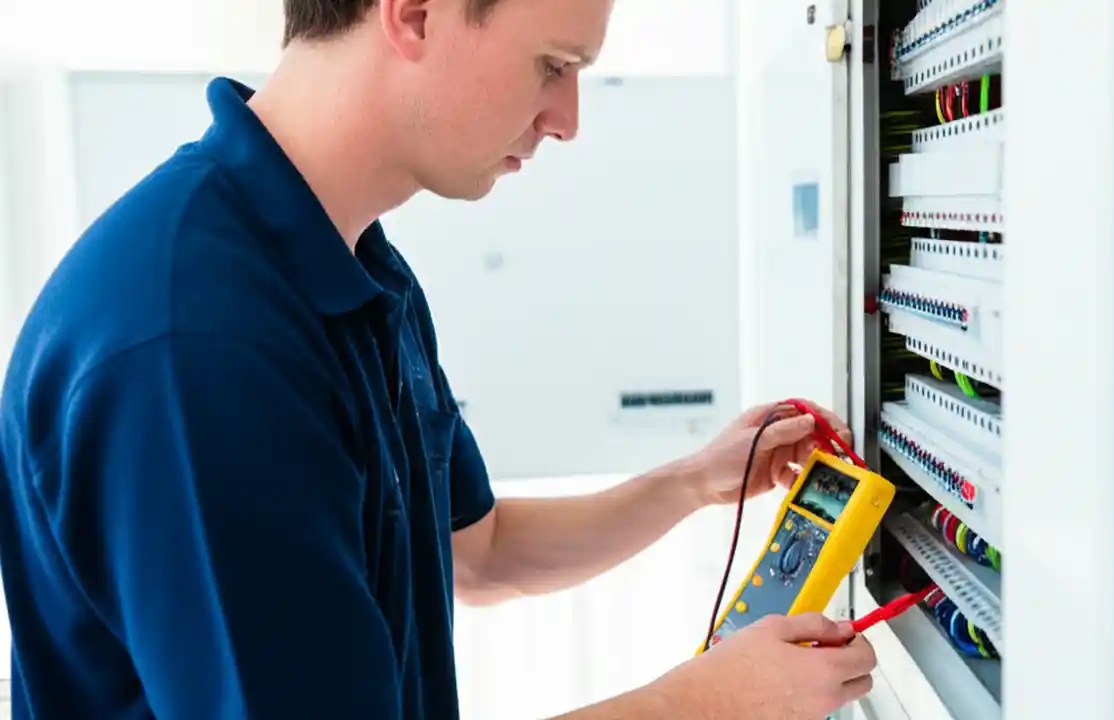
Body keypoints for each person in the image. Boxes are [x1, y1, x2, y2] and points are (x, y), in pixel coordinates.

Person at [0, 0, 878, 717]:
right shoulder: (199, 347)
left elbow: (476, 551)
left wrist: (692, 482)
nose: (566, 120)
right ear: (415, 14)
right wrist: (711, 705)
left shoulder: (351, 267)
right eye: (554, 66)